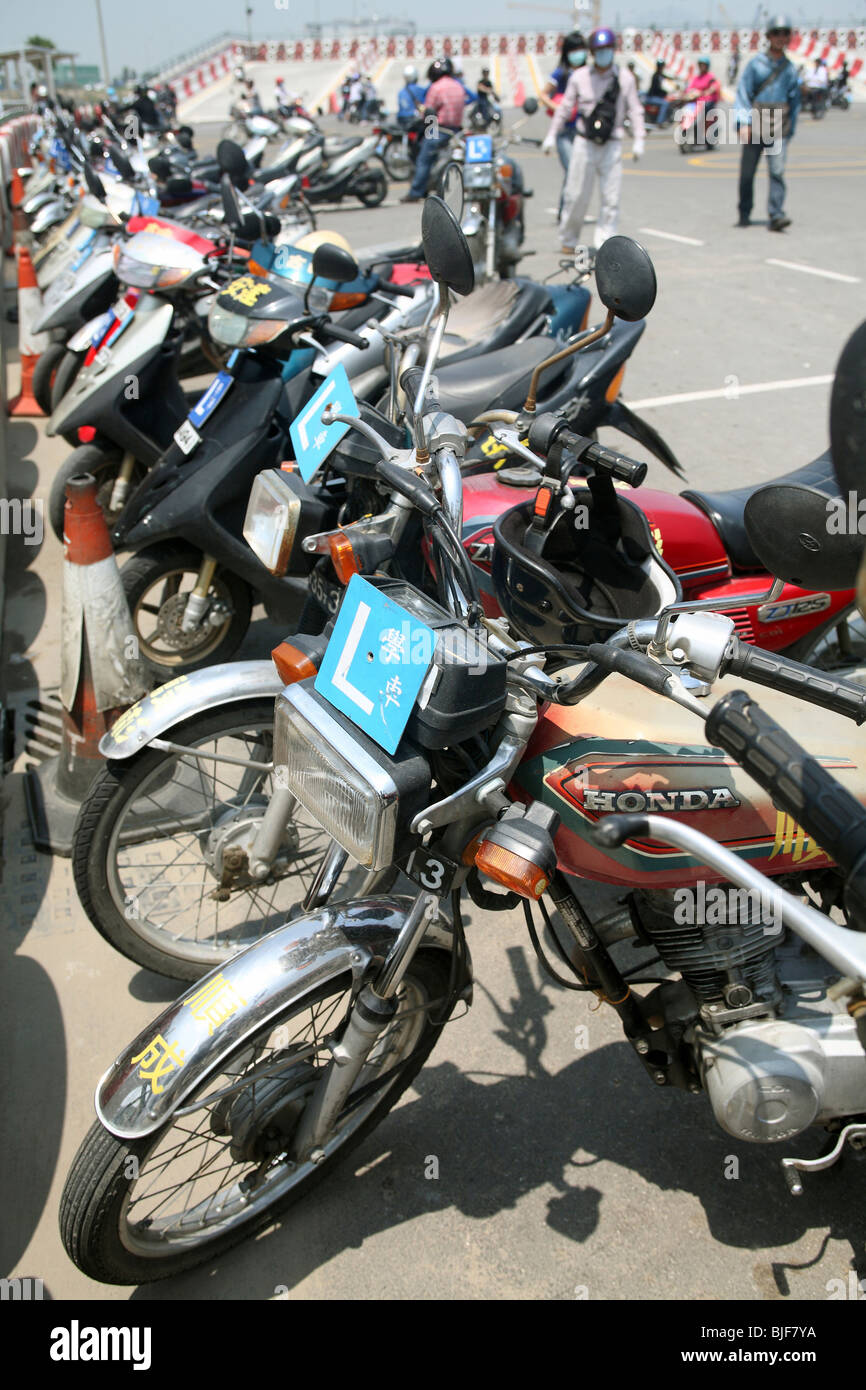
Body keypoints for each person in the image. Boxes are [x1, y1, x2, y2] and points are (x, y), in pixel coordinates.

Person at [543, 27, 645, 254]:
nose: (603, 53)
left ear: (613, 50)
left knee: (611, 197)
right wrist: (551, 135)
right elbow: (565, 109)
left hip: (612, 143)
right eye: (599, 50)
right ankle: (568, 239)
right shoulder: (579, 78)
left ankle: (604, 241)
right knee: (576, 194)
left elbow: (635, 110)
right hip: (584, 142)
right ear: (592, 52)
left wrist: (639, 139)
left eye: (607, 49)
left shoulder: (625, 79)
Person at [734, 16, 800, 231]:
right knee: (747, 173)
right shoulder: (756, 65)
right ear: (769, 36)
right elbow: (743, 93)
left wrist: (790, 129)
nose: (781, 37)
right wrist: (743, 122)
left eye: (785, 33)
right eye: (776, 33)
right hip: (756, 120)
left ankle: (776, 214)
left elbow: (795, 101)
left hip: (779, 122)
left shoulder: (790, 69)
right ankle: (744, 211)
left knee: (777, 171)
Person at [401, 59, 466, 203]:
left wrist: (424, 117)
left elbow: (429, 112)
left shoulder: (436, 87)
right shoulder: (458, 86)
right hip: (456, 130)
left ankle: (415, 191)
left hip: (439, 129)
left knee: (423, 158)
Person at [540, 31, 588, 215]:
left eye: (580, 49)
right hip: (563, 132)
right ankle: (565, 210)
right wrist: (558, 107)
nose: (578, 53)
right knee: (571, 169)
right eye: (573, 49)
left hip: (583, 131)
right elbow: (543, 94)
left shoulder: (588, 73)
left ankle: (570, 209)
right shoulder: (561, 73)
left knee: (579, 173)